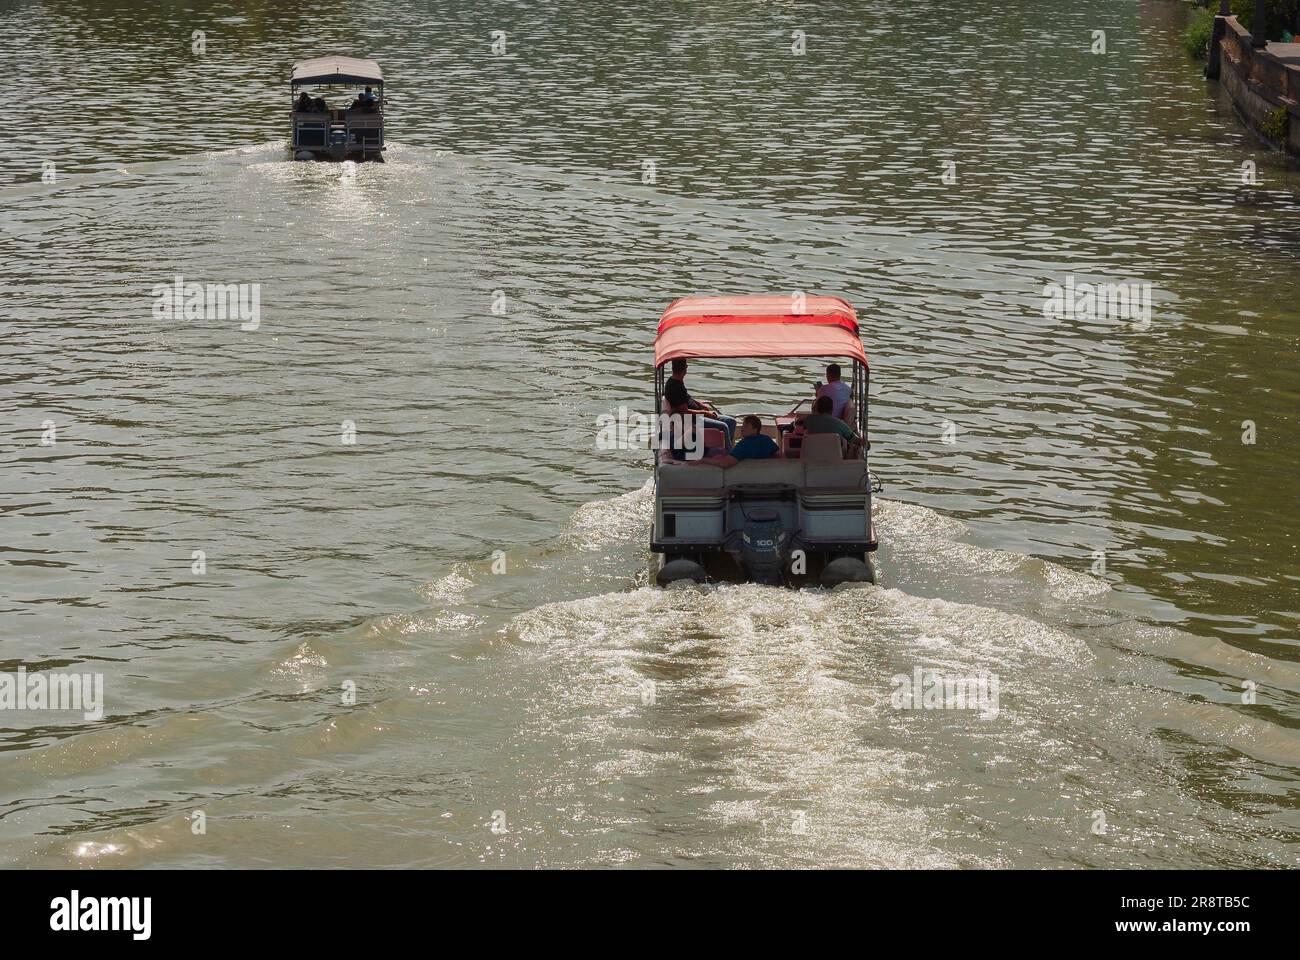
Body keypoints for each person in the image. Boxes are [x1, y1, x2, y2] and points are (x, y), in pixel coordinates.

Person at [666, 358, 737, 448]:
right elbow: (685, 412)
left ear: (672, 368)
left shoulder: (677, 382)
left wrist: (700, 405)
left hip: (698, 415)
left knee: (731, 421)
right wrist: (705, 413)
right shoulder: (675, 386)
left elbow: (687, 398)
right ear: (685, 368)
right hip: (692, 419)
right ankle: (728, 453)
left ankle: (724, 447)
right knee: (724, 426)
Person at [694, 415, 779, 467]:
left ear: (755, 429)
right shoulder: (767, 440)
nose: (742, 428)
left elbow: (725, 464)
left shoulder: (743, 445)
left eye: (746, 426)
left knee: (718, 452)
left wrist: (704, 460)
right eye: (742, 425)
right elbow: (777, 455)